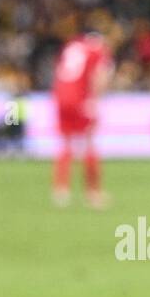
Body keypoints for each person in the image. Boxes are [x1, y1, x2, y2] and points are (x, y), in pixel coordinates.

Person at [51, 32, 113, 209]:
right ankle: (93, 193)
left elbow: (59, 71)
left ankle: (61, 191)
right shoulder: (98, 50)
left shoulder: (71, 46)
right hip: (80, 98)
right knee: (89, 144)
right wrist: (95, 99)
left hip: (61, 97)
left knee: (65, 143)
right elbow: (100, 76)